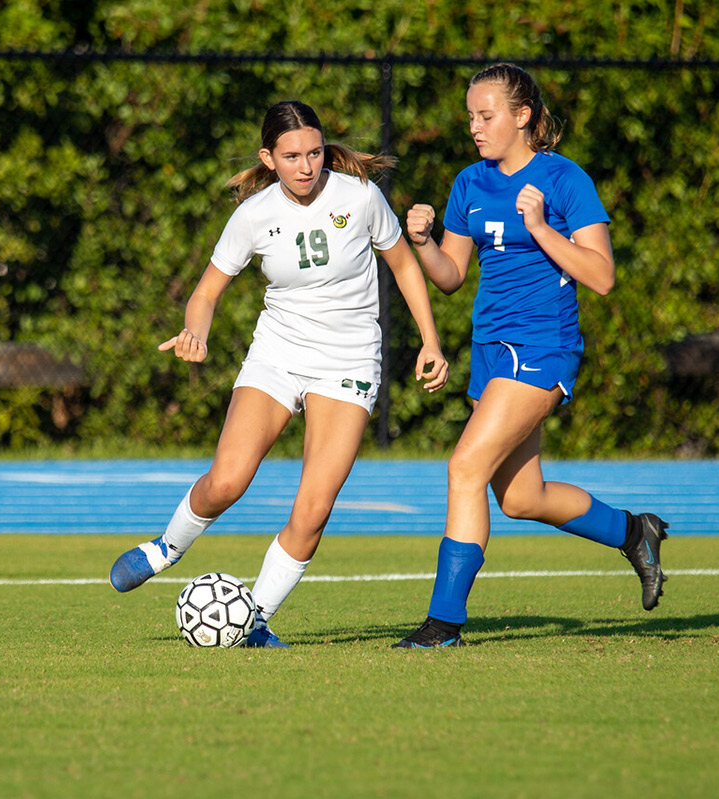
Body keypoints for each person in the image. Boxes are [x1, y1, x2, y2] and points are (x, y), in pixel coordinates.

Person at [110, 100, 449, 648]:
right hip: (278, 353)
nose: (307, 166)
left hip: (348, 361)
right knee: (226, 482)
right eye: (292, 156)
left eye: (315, 153)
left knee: (312, 510)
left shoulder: (360, 196)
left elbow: (404, 265)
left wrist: (430, 339)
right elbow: (206, 294)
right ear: (269, 159)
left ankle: (254, 620)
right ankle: (165, 548)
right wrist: (196, 331)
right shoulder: (253, 216)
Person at [392, 64, 669, 649]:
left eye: (486, 115)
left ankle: (443, 625)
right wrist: (421, 242)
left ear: (522, 117)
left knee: (465, 469)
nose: (474, 126)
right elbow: (451, 276)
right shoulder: (469, 182)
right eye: (470, 116)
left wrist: (541, 227)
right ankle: (633, 531)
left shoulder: (565, 180)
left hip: (544, 347)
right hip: (492, 351)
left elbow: (601, 277)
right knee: (520, 498)